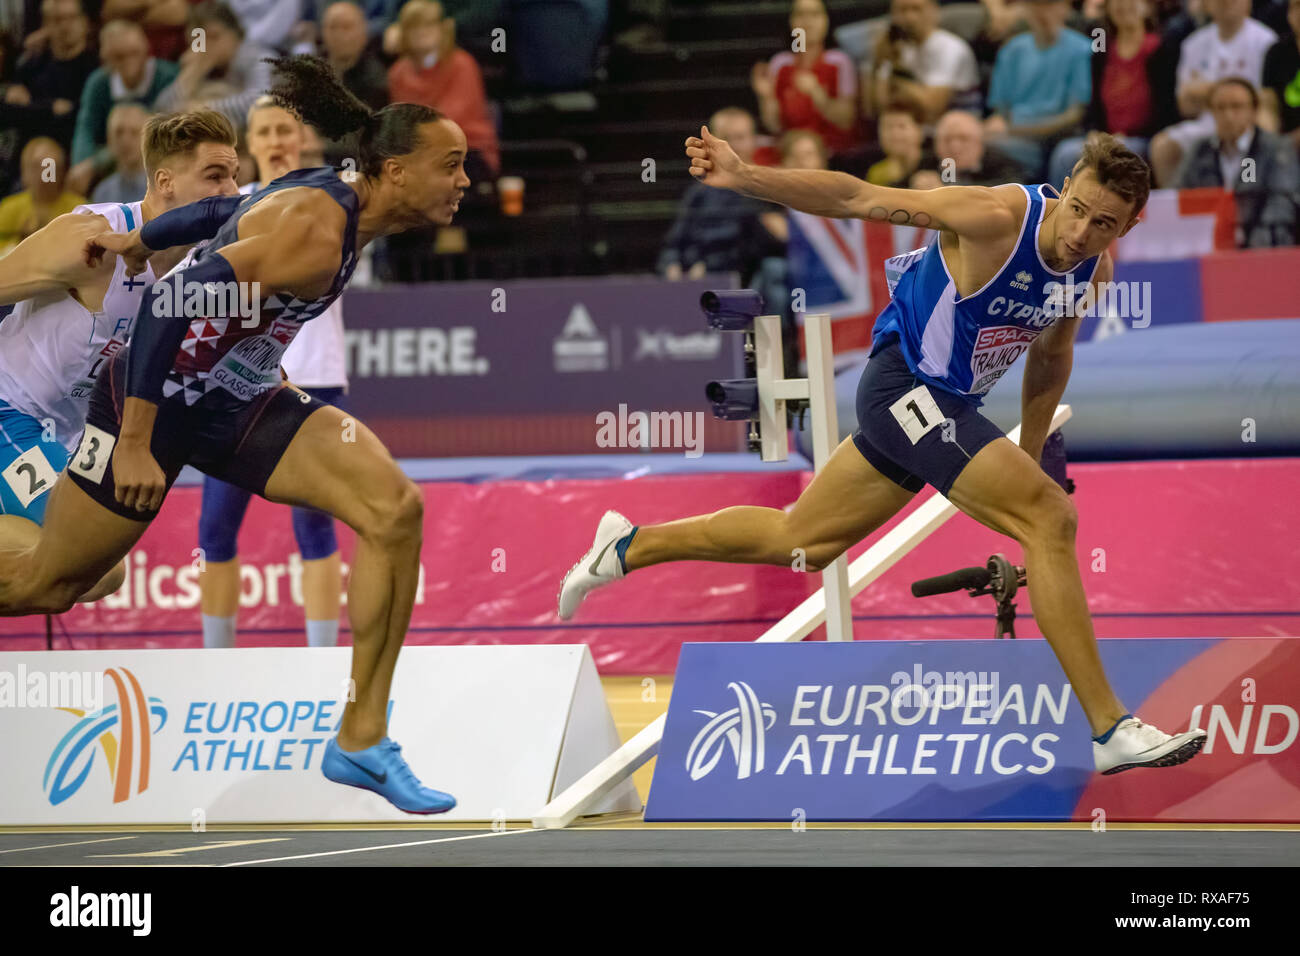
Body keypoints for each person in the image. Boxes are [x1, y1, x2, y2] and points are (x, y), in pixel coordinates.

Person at [559, 126, 1209, 776]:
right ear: (1063, 188)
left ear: (1128, 226)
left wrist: (1032, 455)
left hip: (944, 408)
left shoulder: (1093, 270)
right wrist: (745, 176)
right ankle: (1110, 729)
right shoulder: (992, 217)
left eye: (1105, 225)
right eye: (1078, 210)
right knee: (1052, 517)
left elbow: (1051, 356)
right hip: (903, 386)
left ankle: (626, 545)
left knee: (802, 541)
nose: (1082, 234)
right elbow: (856, 196)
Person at [0, 55, 469, 815]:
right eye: (450, 165)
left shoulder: (337, 198)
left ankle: (361, 739)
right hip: (148, 403)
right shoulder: (315, 236)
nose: (464, 181)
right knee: (50, 583)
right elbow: (169, 306)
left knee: (394, 511)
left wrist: (143, 237)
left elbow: (220, 216)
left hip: (239, 397)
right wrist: (135, 442)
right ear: (394, 171)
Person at [0, 109, 240, 602]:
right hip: (8, 409)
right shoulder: (90, 239)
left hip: (68, 436)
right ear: (166, 182)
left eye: (235, 176)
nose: (231, 192)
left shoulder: (200, 275)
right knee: (77, 566)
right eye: (215, 176)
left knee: (91, 575)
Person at [198, 94, 349, 650]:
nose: (276, 141)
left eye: (285, 129)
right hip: (236, 384)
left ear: (301, 136)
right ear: (249, 145)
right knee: (215, 528)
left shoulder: (333, 198)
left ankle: (322, 663)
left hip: (315, 379)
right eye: (265, 131)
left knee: (314, 524)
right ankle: (218, 663)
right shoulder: (228, 207)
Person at [1149, 0, 1278, 185]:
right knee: (1163, 146)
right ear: (1207, 5)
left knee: (1262, 130)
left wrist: (1207, 90)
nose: (1226, 4)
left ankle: (1254, 196)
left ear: (1248, 3)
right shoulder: (1192, 44)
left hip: (1250, 119)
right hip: (1207, 121)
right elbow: (1185, 106)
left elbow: (1266, 99)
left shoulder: (1266, 41)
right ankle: (1177, 207)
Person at [1172, 76, 1298, 244]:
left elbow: (1280, 203)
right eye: (1221, 108)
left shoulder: (1272, 148)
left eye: (1236, 107)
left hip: (1260, 244)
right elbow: (1180, 195)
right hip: (1209, 242)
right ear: (1212, 112)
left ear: (1253, 111)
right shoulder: (1201, 151)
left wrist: (1254, 249)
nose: (1228, 115)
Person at [984, 0, 1093, 179]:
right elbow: (1000, 109)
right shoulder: (1011, 50)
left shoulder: (1081, 50)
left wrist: (1017, 130)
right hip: (1013, 136)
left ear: (1065, 8)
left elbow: (1076, 115)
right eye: (1035, 4)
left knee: (983, 146)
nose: (1042, 12)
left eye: (1049, 4)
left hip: (1055, 138)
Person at [752, 0, 861, 159]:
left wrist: (818, 96)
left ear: (827, 20)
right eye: (800, 14)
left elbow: (846, 121)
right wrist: (766, 97)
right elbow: (774, 125)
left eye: (815, 14)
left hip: (830, 151)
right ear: (791, 21)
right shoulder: (781, 63)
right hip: (790, 150)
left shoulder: (839, 62)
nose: (807, 22)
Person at [865, 0, 982, 123]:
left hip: (958, 128)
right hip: (915, 130)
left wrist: (897, 79)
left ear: (934, 11)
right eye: (902, 10)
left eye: (916, 9)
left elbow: (933, 106)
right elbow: (878, 107)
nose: (909, 17)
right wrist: (879, 63)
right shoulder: (898, 49)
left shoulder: (949, 47)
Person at [0, 137, 87, 254]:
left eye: (50, 167)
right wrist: (21, 242)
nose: (43, 174)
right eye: (36, 167)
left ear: (61, 172)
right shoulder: (9, 208)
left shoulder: (80, 209)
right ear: (24, 171)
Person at [90, 103, 150, 203]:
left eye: (134, 132)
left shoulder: (162, 189)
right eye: (119, 132)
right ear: (109, 139)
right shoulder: (103, 193)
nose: (125, 140)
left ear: (148, 139)